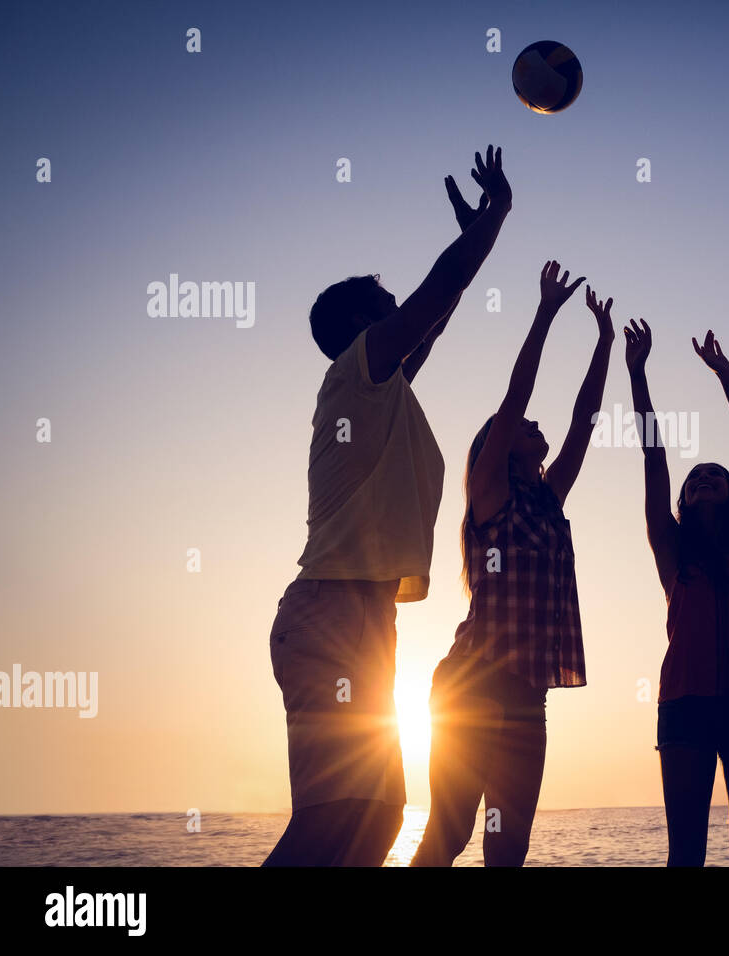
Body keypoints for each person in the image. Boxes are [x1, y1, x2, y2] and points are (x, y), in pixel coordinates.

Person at [264, 146, 512, 866]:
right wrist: (489, 221)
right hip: (329, 613)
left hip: (362, 619)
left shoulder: (383, 391)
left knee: (376, 820)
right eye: (385, 306)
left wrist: (482, 237)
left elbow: (436, 310)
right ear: (362, 325)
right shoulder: (356, 373)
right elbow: (433, 297)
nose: (399, 311)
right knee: (331, 819)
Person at [410, 261, 611, 867]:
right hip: (472, 685)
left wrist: (602, 343)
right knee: (449, 833)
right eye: (521, 428)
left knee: (509, 847)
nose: (531, 423)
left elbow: (583, 422)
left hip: (526, 694)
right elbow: (514, 396)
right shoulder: (489, 495)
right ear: (495, 447)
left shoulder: (546, 500)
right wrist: (546, 312)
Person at [625, 317, 729, 867]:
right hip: (686, 705)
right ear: (683, 502)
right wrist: (636, 374)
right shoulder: (673, 553)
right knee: (685, 852)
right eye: (694, 479)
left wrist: (727, 376)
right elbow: (654, 458)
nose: (702, 478)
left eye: (714, 474)